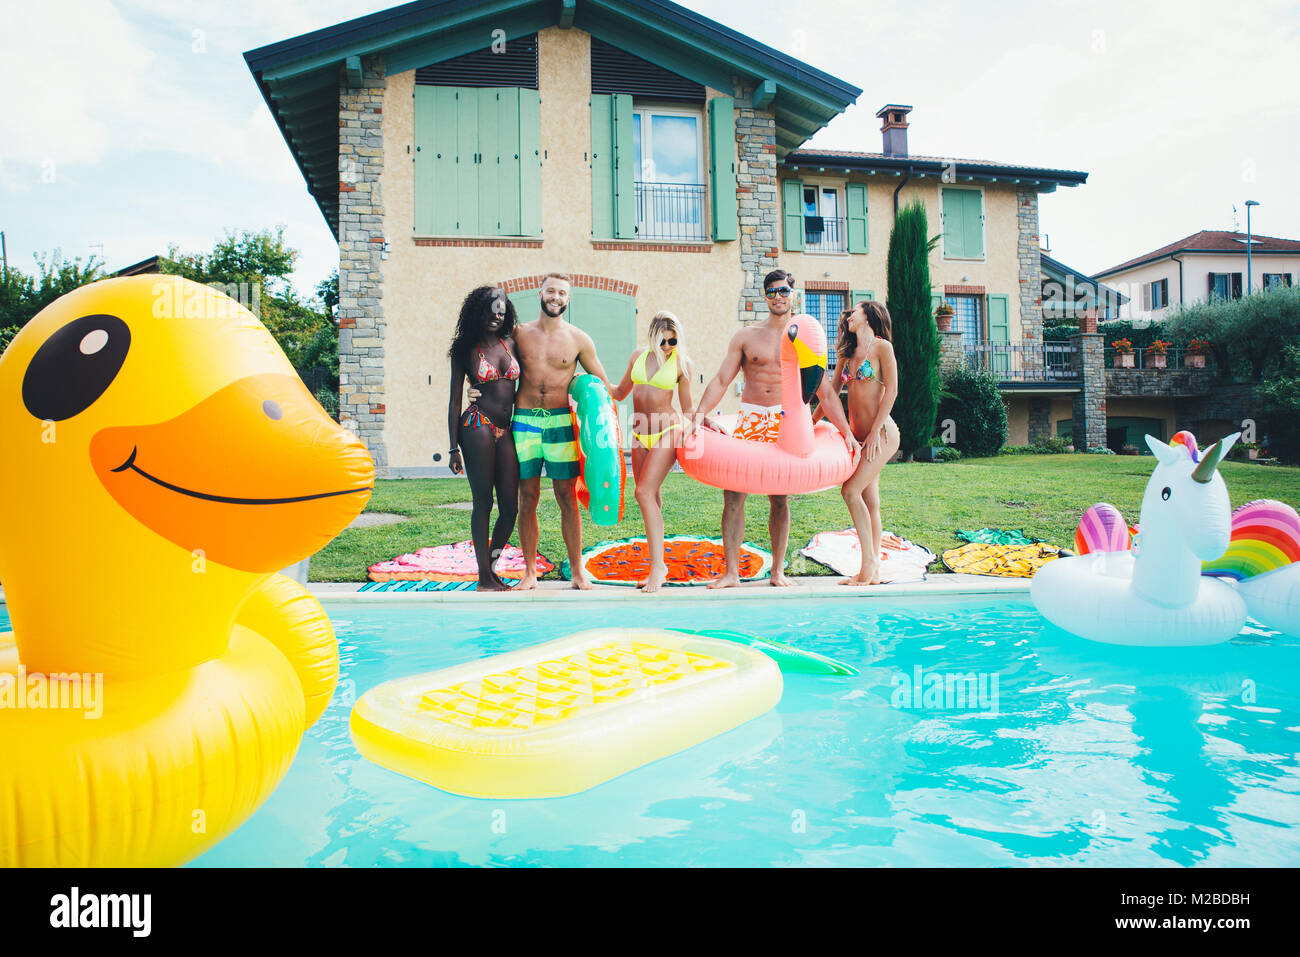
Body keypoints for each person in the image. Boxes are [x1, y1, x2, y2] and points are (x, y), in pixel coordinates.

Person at [688, 269, 859, 588]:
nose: (778, 297)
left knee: (779, 499)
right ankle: (731, 573)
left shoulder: (803, 337)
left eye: (783, 291)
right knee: (733, 497)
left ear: (794, 295)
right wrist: (699, 413)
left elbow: (824, 390)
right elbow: (722, 379)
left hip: (785, 422)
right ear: (764, 297)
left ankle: (778, 571)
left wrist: (846, 431)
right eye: (771, 292)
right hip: (752, 418)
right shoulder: (746, 336)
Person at [510, 273, 615, 590]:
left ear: (568, 299)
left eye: (562, 293)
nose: (556, 297)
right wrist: (474, 390)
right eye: (551, 291)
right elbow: (494, 366)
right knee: (526, 498)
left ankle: (579, 572)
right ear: (540, 293)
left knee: (566, 497)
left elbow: (604, 385)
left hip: (559, 422)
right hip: (524, 421)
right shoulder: (519, 334)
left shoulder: (579, 339)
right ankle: (529, 572)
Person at [610, 311, 719, 592]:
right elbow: (620, 392)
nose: (669, 346)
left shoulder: (682, 364)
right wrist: (590, 382)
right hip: (639, 433)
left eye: (673, 340)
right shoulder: (637, 356)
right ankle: (656, 565)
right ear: (652, 337)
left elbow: (687, 407)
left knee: (642, 493)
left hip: (666, 430)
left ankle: (659, 567)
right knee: (652, 499)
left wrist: (703, 419)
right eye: (663, 341)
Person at [816, 300, 901, 585]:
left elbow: (891, 392)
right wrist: (810, 423)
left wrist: (876, 432)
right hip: (858, 436)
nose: (849, 315)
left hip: (883, 434)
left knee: (851, 491)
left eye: (855, 311)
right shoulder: (847, 353)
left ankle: (868, 566)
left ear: (869, 315)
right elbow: (830, 395)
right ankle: (873, 570)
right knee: (869, 500)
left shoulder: (881, 348)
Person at [447, 285, 521, 591]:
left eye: (501, 310)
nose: (496, 315)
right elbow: (453, 400)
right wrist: (453, 448)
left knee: (510, 508)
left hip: (507, 430)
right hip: (477, 425)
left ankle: (490, 566)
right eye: (491, 309)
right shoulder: (465, 349)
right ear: (479, 311)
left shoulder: (513, 343)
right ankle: (483, 577)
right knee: (484, 502)